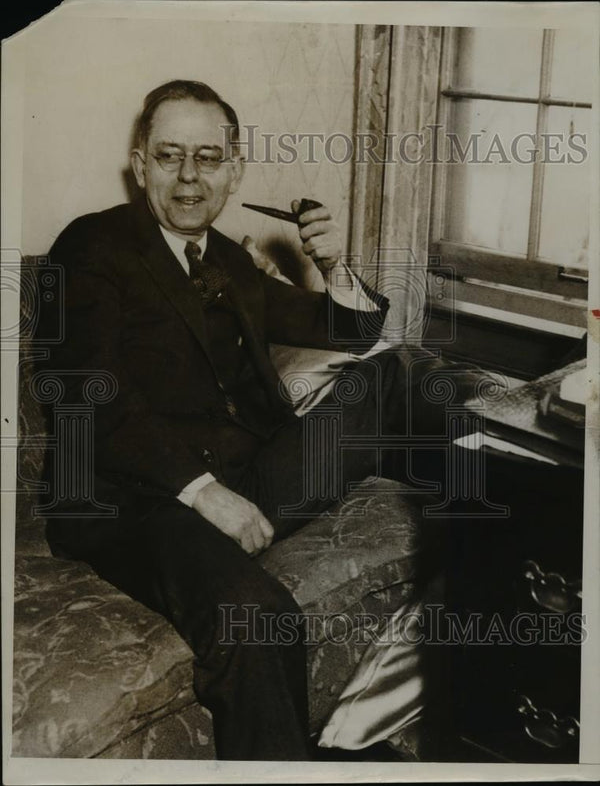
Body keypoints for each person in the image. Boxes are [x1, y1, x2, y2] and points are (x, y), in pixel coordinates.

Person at [36, 80, 474, 760]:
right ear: (140, 163)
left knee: (396, 374)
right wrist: (205, 495)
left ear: (234, 169)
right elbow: (85, 394)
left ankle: (520, 540)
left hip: (246, 474)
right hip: (136, 501)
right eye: (170, 156)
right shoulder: (92, 247)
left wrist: (332, 262)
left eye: (208, 158)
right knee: (257, 617)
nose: (189, 178)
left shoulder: (230, 261)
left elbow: (351, 330)